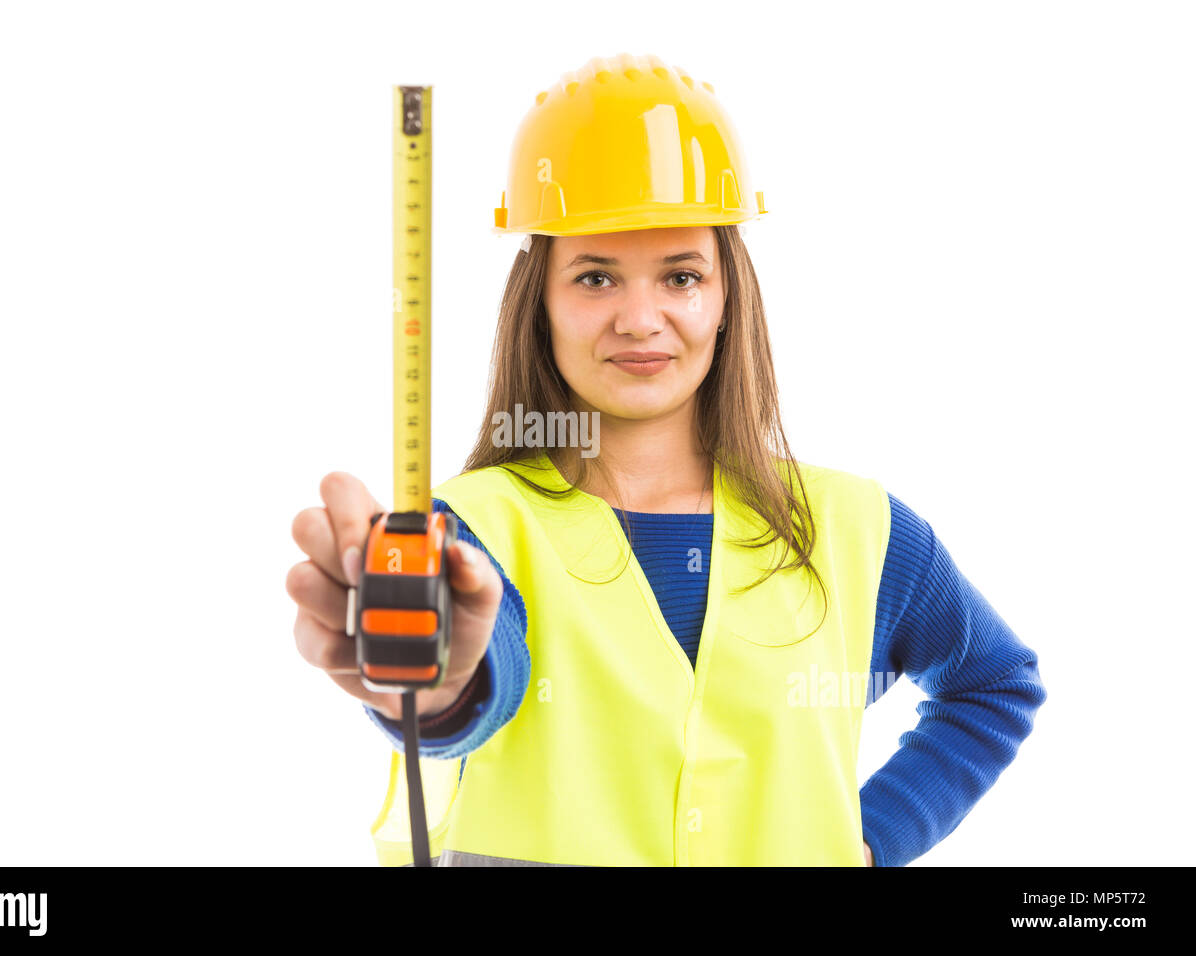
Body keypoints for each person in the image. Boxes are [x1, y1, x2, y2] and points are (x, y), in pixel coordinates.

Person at [286, 53, 1047, 866]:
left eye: (681, 276)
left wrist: (869, 842)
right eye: (596, 277)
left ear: (727, 299)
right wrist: (441, 688)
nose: (640, 319)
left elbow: (995, 685)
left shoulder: (858, 529)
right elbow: (481, 666)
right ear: (538, 302)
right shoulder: (468, 529)